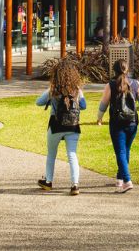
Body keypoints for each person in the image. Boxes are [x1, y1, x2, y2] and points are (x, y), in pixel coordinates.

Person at [96, 59, 139, 193]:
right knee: (125, 150)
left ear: (114, 70)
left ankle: (127, 180)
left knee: (121, 152)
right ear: (127, 69)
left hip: (117, 123)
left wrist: (99, 118)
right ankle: (120, 178)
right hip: (132, 122)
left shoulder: (110, 85)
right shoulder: (136, 84)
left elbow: (103, 104)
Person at [36, 59, 87, 195]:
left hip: (56, 125)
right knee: (72, 154)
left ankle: (48, 181)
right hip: (73, 126)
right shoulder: (77, 90)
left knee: (51, 153)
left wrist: (50, 93)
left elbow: (38, 102)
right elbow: (83, 106)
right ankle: (75, 185)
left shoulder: (53, 90)